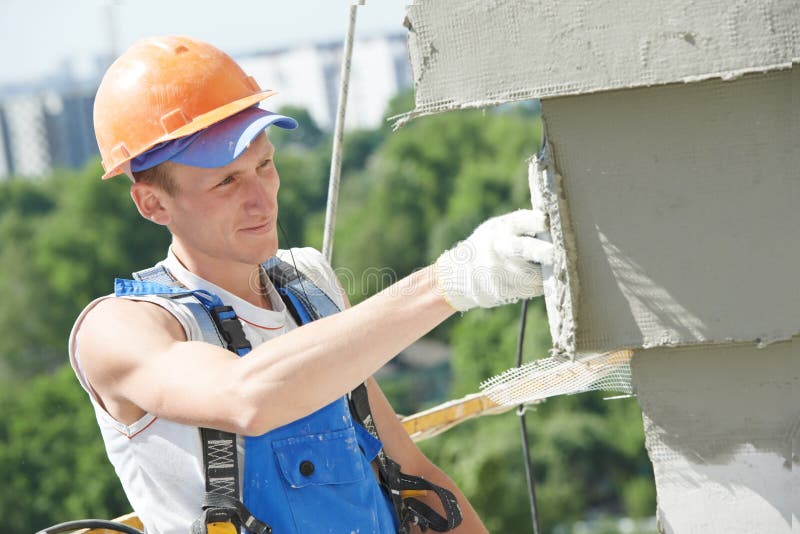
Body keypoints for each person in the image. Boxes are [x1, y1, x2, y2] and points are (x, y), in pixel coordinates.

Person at [69, 35, 553, 534]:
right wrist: (450, 282)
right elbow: (245, 397)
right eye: (227, 182)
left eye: (264, 165)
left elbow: (412, 474)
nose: (261, 201)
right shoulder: (120, 329)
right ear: (153, 204)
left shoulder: (310, 284)